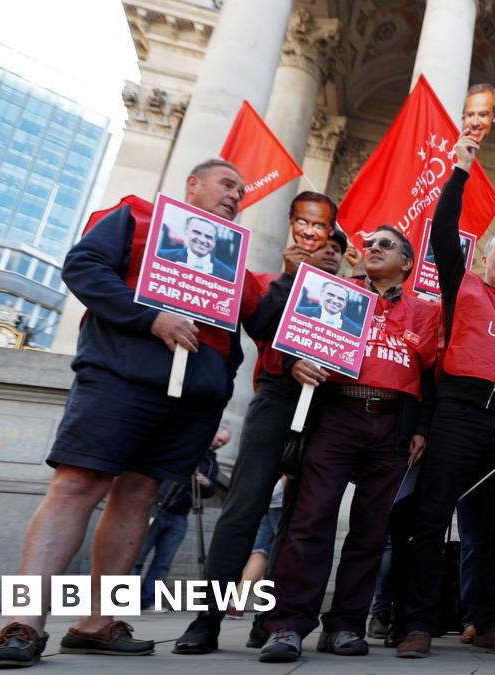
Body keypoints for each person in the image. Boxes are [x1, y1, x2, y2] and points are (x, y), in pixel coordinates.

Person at [0, 158, 292, 670]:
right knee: (77, 485)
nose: (236, 195)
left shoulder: (235, 263)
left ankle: (96, 624)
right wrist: (151, 318)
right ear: (193, 184)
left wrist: (298, 276)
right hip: (121, 376)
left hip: (193, 396)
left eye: (241, 189)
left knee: (139, 495)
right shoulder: (136, 216)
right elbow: (83, 268)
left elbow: (264, 319)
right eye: (226, 184)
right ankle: (23, 624)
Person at [396, 133, 495, 659]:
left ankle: (488, 624)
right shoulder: (462, 287)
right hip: (457, 412)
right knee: (432, 518)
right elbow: (441, 231)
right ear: (483, 260)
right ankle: (417, 624)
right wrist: (459, 171)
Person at [173, 196, 347, 656]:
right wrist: (291, 280)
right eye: (321, 239)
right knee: (245, 507)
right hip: (277, 396)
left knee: (301, 516)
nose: (328, 249)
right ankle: (207, 619)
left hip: (328, 408)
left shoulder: (352, 302)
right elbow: (259, 326)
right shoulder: (273, 281)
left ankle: (272, 622)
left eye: (337, 246)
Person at [258, 224, 440, 662]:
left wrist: (422, 428)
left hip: (392, 426)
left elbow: (433, 374)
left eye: (386, 245)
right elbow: (291, 342)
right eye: (370, 243)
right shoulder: (335, 291)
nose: (373, 249)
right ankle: (287, 625)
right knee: (311, 520)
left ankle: (345, 626)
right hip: (336, 416)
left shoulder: (426, 313)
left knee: (370, 533)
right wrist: (295, 363)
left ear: (408, 264)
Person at [132, 428, 226, 610]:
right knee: (137, 556)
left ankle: (148, 601)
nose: (219, 443)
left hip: (180, 515)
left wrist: (205, 482)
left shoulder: (211, 464)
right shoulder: (186, 447)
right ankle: (126, 598)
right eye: (218, 438)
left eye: (223, 443)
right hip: (157, 507)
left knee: (163, 563)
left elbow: (210, 490)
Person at [225, 478, 286, 620]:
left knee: (261, 551)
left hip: (268, 500)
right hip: (282, 500)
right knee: (285, 551)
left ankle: (236, 603)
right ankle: (282, 605)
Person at [157, 215, 237, 282]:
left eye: (208, 237)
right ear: (186, 231)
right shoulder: (162, 256)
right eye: (197, 233)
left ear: (215, 241)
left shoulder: (228, 274)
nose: (202, 240)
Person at [299, 280, 363, 337]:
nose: (335, 301)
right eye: (331, 295)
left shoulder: (355, 330)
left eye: (340, 299)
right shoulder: (300, 312)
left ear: (345, 302)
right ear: (322, 293)